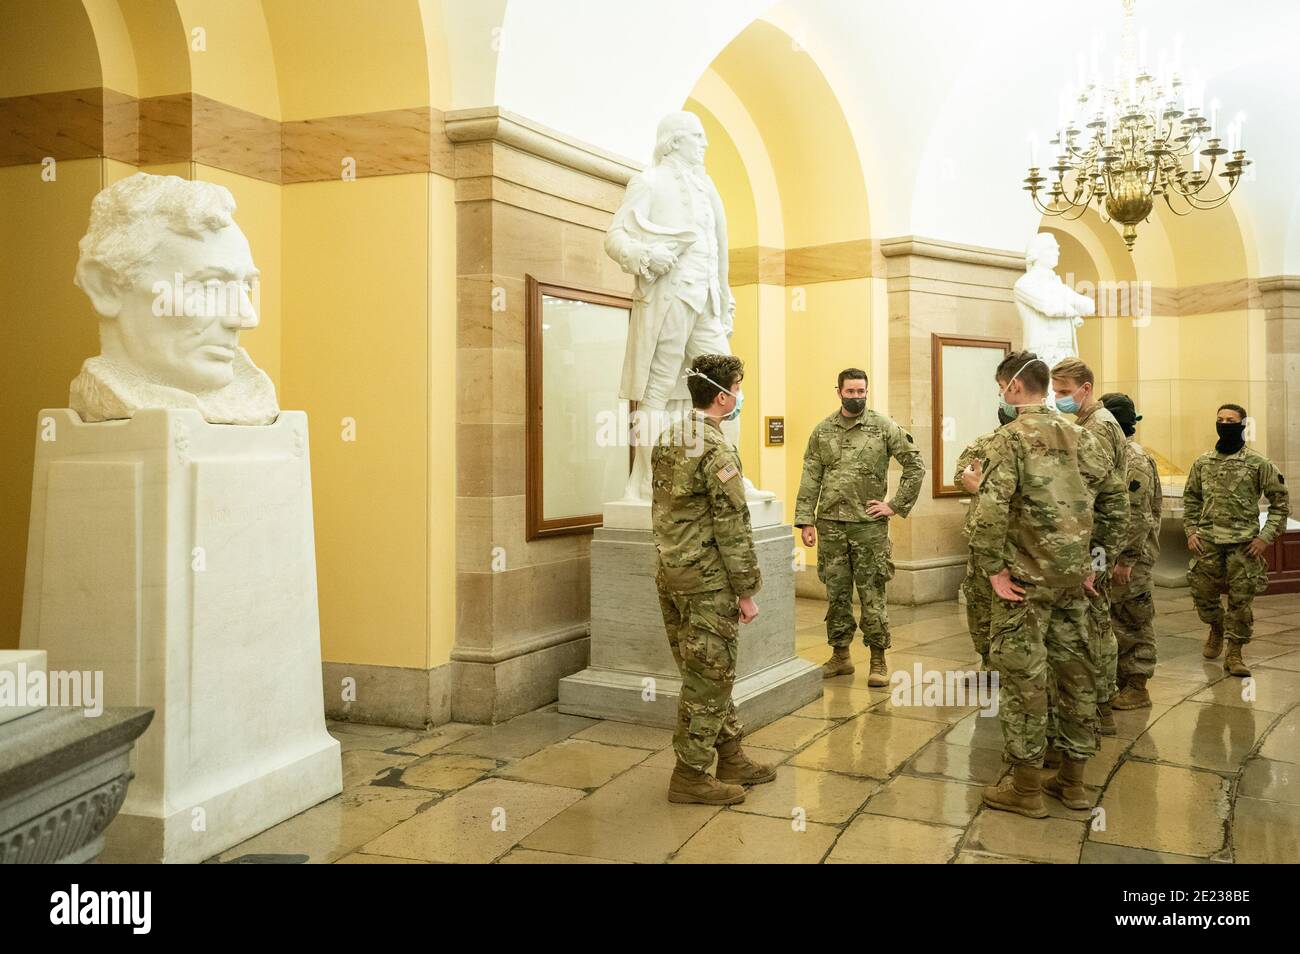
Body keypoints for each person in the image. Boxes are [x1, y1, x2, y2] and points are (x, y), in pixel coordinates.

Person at [971, 351, 1125, 817]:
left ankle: (1026, 789)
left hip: (1024, 585)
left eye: (1001, 388)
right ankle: (1073, 784)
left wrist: (993, 569)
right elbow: (1117, 502)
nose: (1002, 395)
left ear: (1014, 387)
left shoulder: (1009, 439)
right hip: (1074, 583)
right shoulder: (1083, 435)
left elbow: (990, 510)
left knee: (1025, 679)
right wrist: (1096, 562)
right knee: (1077, 675)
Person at [651, 353, 775, 805]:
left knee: (704, 670)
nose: (740, 395)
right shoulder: (716, 449)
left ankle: (732, 755)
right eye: (738, 387)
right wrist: (746, 591)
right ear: (722, 397)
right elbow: (732, 524)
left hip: (672, 574)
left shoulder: (669, 436)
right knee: (708, 679)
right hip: (707, 582)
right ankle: (689, 774)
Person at [794, 368, 925, 685]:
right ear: (839, 391)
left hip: (868, 527)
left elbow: (915, 466)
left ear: (867, 391)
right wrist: (805, 520)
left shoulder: (883, 427)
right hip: (830, 526)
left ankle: (878, 659)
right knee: (836, 594)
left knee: (872, 594)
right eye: (850, 391)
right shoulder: (822, 430)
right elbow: (811, 476)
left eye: (861, 391)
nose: (856, 397)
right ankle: (841, 656)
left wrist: (894, 505)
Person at [1051, 357, 1128, 736]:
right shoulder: (1086, 423)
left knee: (1095, 627)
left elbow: (1096, 494)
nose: (1059, 399)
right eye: (1055, 392)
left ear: (1086, 389)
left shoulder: (1097, 427)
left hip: (1094, 543)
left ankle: (1100, 706)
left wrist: (1098, 558)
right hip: (1092, 543)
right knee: (1093, 625)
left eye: (1065, 392)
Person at [1183, 403, 1290, 677]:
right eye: (1220, 419)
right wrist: (1191, 531)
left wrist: (1265, 537)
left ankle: (1234, 653)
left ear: (1242, 425)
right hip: (1207, 542)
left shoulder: (1258, 463)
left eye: (1231, 420)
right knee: (1202, 593)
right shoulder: (1203, 462)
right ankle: (1216, 627)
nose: (1224, 424)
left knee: (1241, 601)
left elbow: (1280, 504)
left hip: (1244, 545)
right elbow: (1191, 499)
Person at [1100, 392, 1162, 709]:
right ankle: (1122, 681)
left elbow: (1137, 516)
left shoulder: (1133, 459)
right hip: (1113, 556)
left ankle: (1138, 686)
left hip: (1131, 559)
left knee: (1135, 620)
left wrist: (1126, 560)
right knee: (1116, 621)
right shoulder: (1114, 454)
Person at [956, 408, 1015, 669]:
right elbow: (960, 477)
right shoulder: (982, 444)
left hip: (1016, 538)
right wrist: (973, 482)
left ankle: (1009, 666)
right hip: (982, 534)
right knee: (978, 600)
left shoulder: (1037, 446)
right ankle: (988, 662)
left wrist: (986, 486)